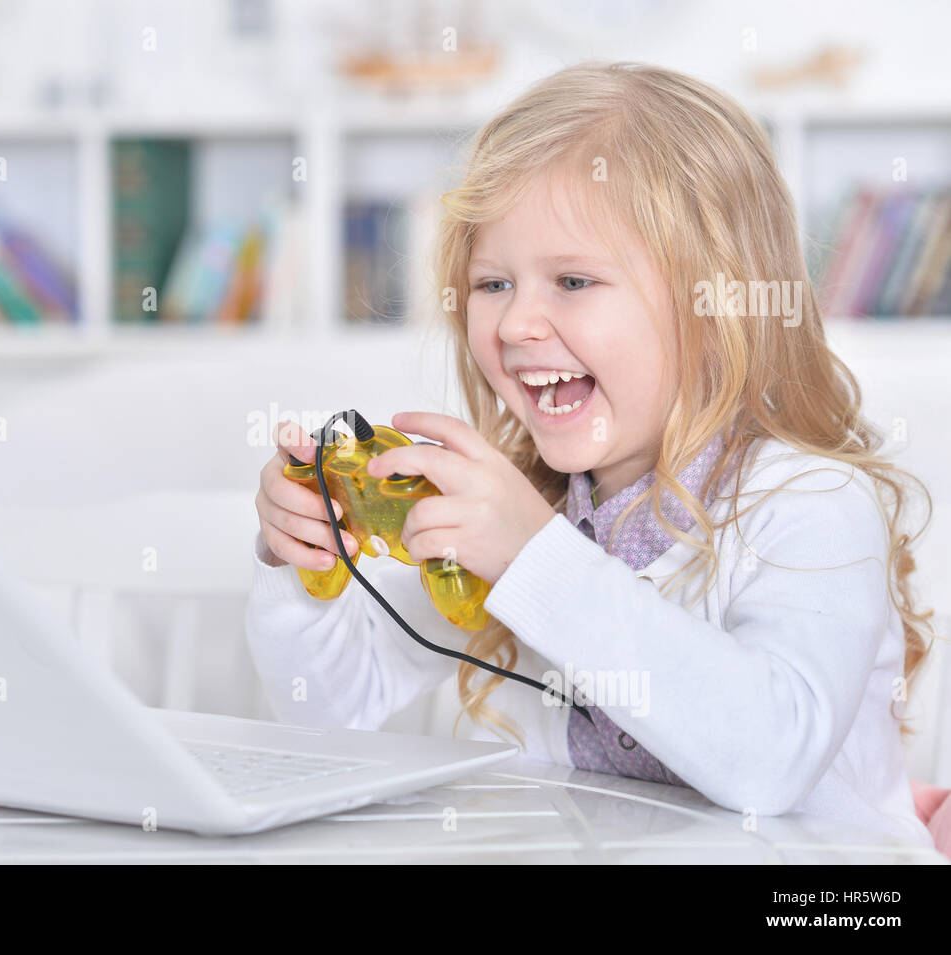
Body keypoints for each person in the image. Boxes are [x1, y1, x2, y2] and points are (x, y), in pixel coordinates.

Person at [247, 61, 940, 848]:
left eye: (573, 280)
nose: (513, 326)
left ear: (715, 308)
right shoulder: (522, 507)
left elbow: (769, 761)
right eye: (493, 283)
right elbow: (330, 713)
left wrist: (532, 557)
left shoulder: (813, 506)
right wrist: (301, 568)